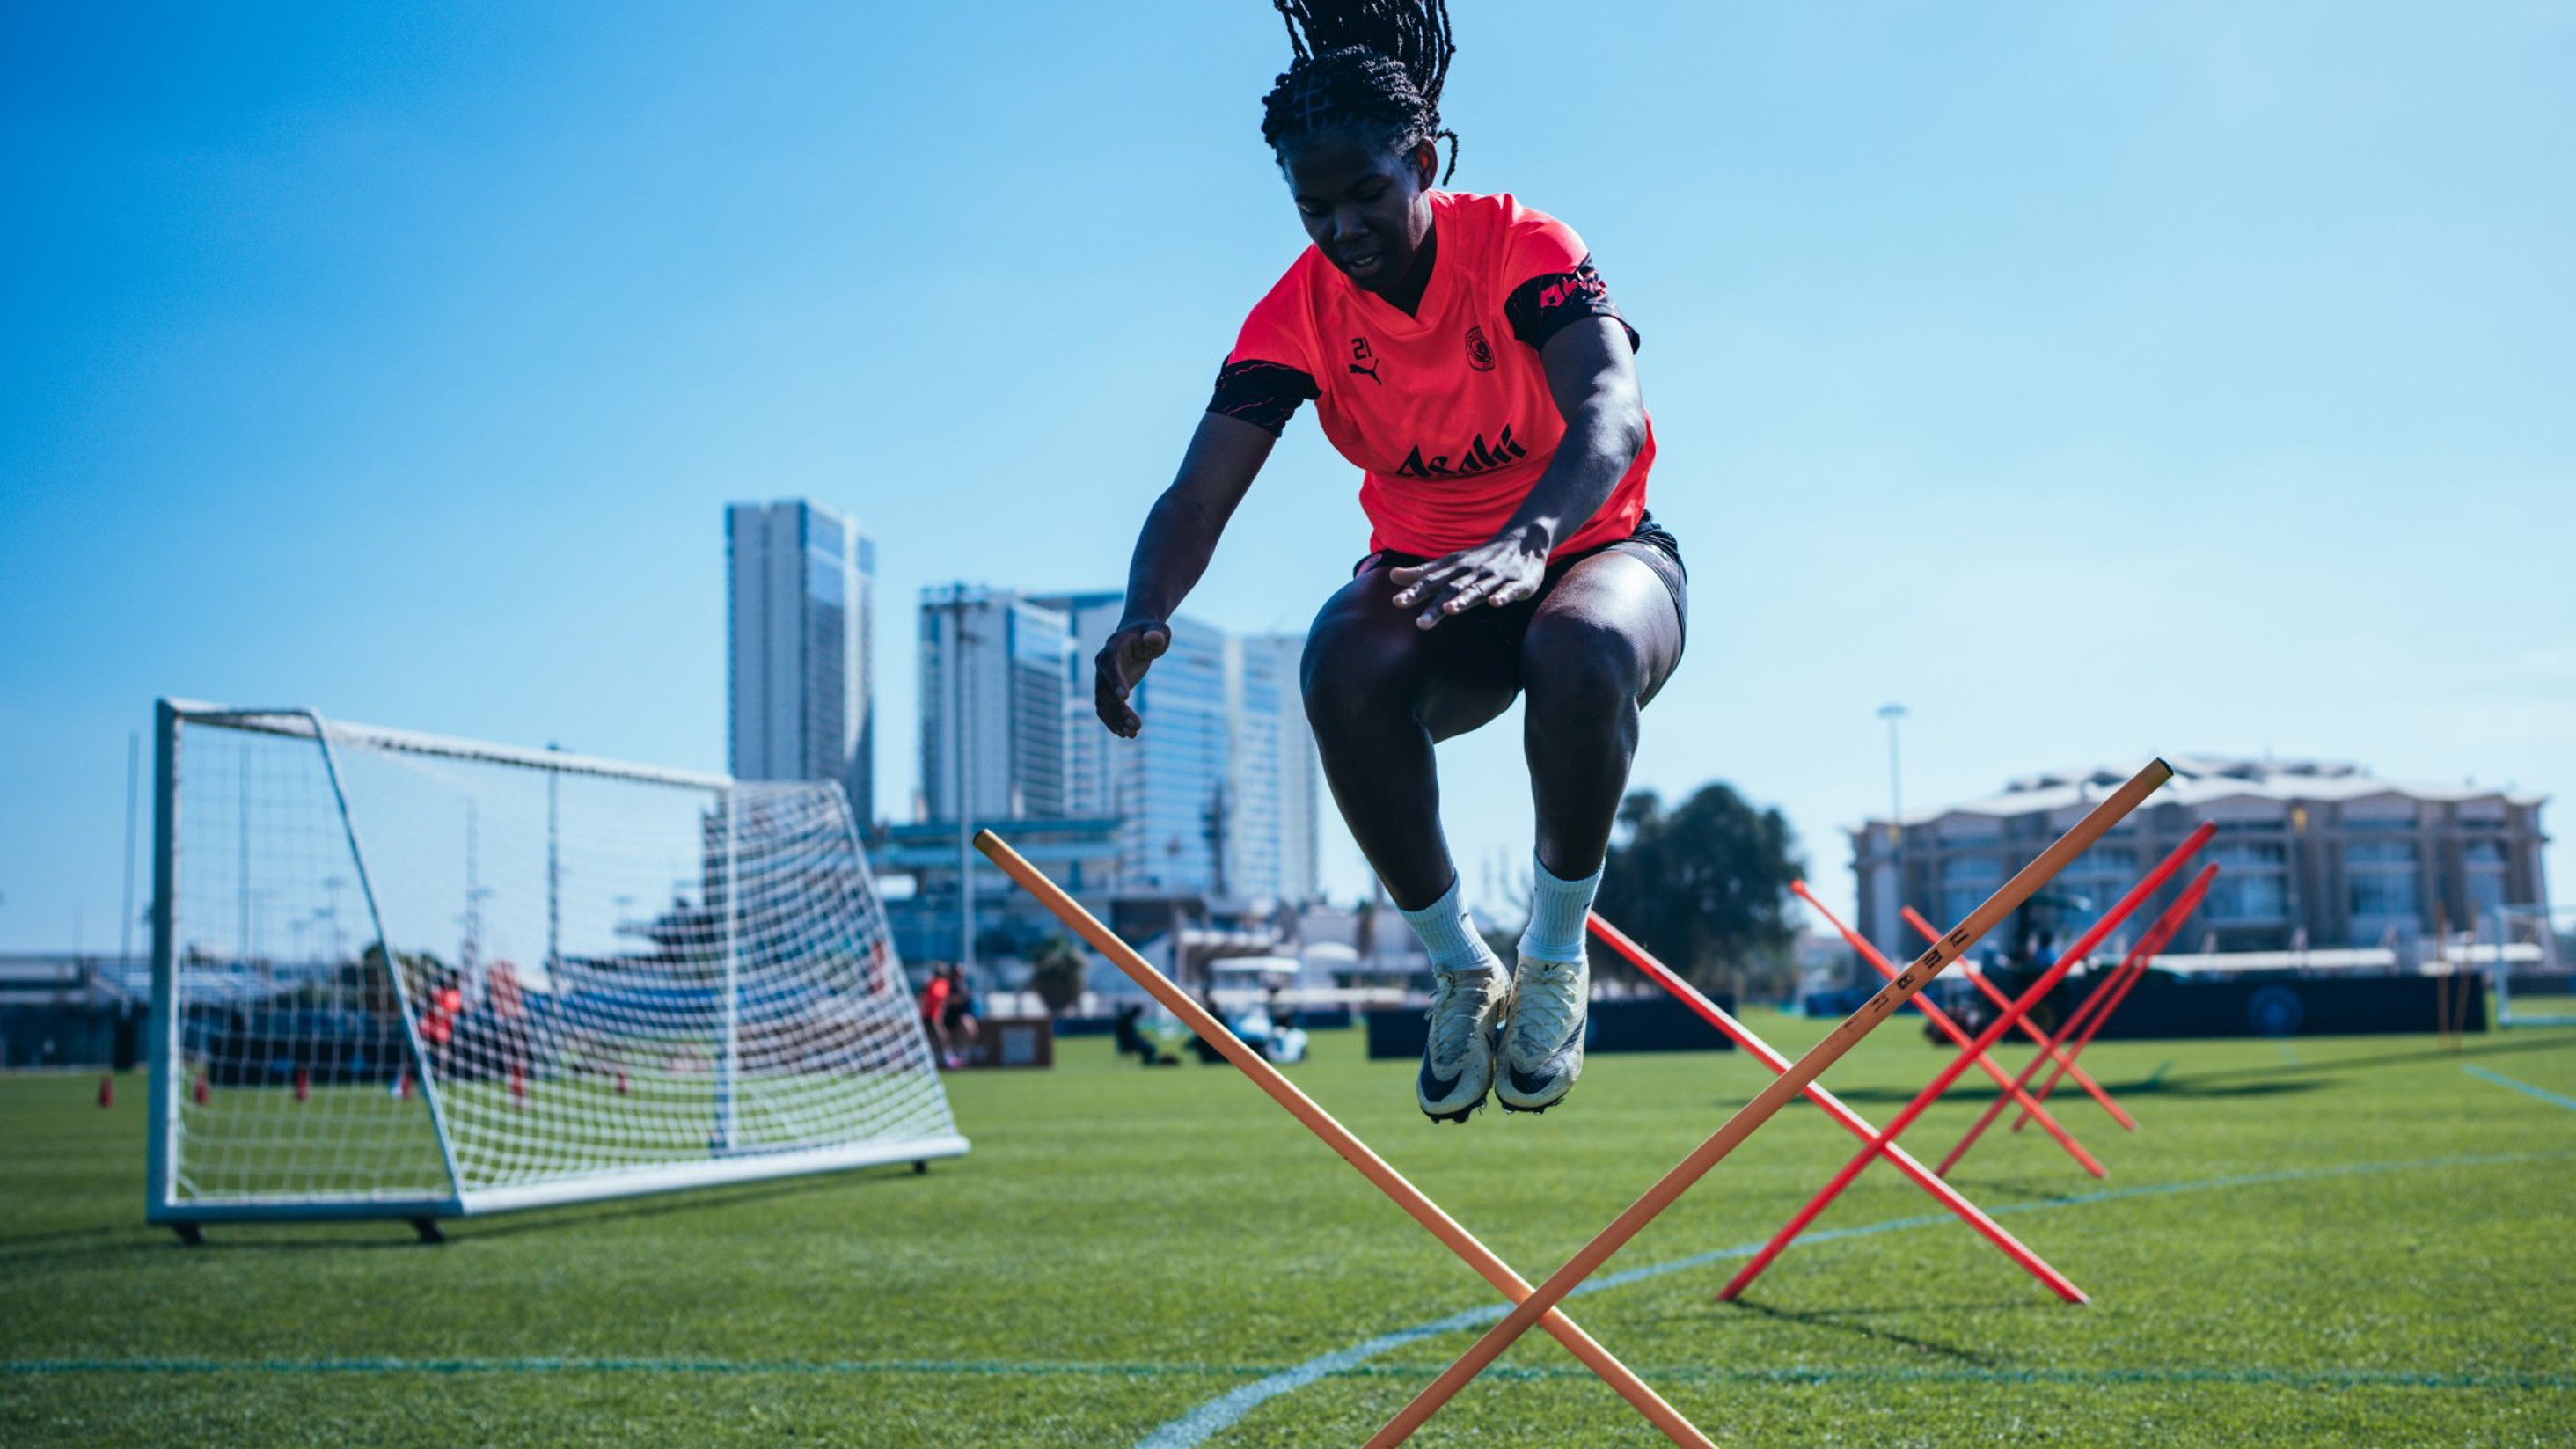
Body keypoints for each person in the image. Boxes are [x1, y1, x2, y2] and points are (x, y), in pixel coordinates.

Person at [1092, 0, 1684, 1122]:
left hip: (1594, 550)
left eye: (1367, 193)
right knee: (1339, 664)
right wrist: (1143, 608)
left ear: (1420, 160)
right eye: (1314, 208)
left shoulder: (1521, 244)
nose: (1344, 229)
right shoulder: (1298, 312)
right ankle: (1462, 968)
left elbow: (1609, 407)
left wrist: (1531, 541)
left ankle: (1554, 957)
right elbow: (1198, 492)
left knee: (1582, 645)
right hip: (1441, 587)